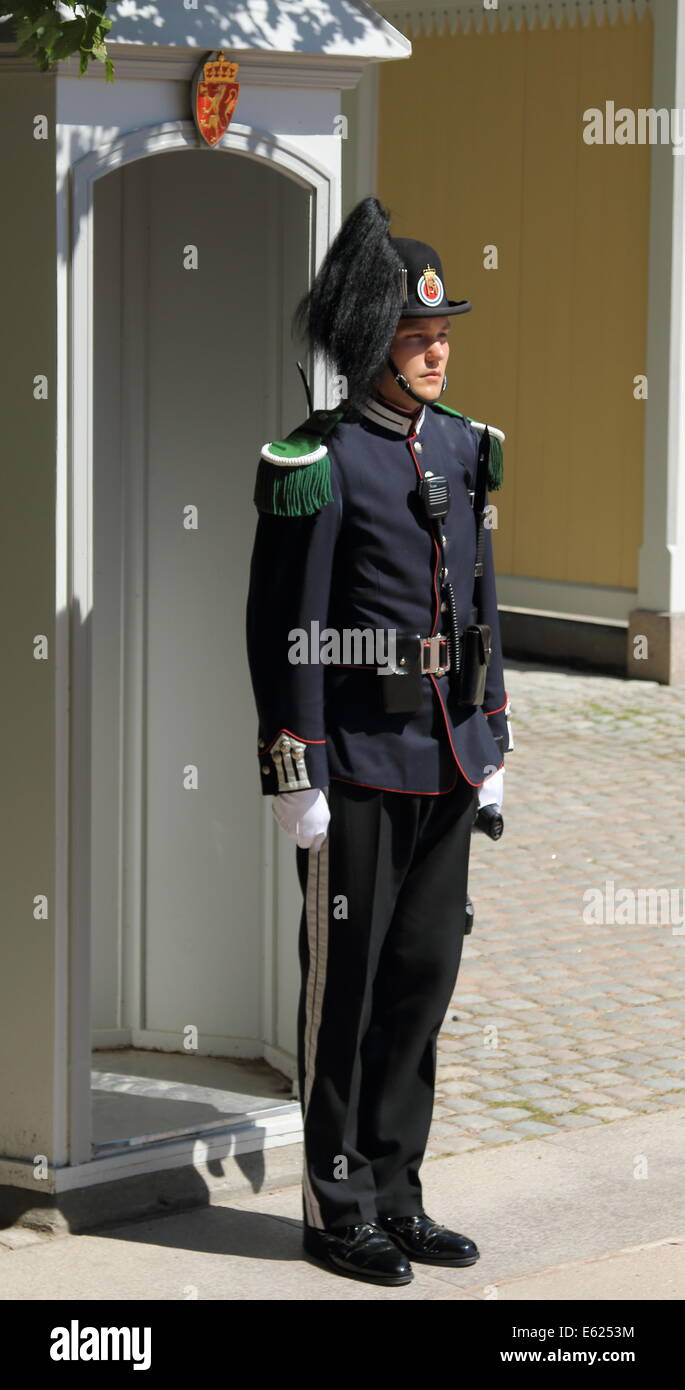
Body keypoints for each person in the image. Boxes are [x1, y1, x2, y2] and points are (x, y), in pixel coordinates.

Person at [245, 197, 513, 1287]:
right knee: (344, 993)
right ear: (372, 344)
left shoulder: (463, 447)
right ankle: (336, 1203)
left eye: (442, 332)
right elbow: (283, 625)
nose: (435, 349)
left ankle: (398, 1196)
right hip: (354, 763)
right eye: (414, 335)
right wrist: (292, 769)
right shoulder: (319, 457)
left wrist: (493, 738)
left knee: (420, 981)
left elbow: (481, 603)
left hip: (446, 756)